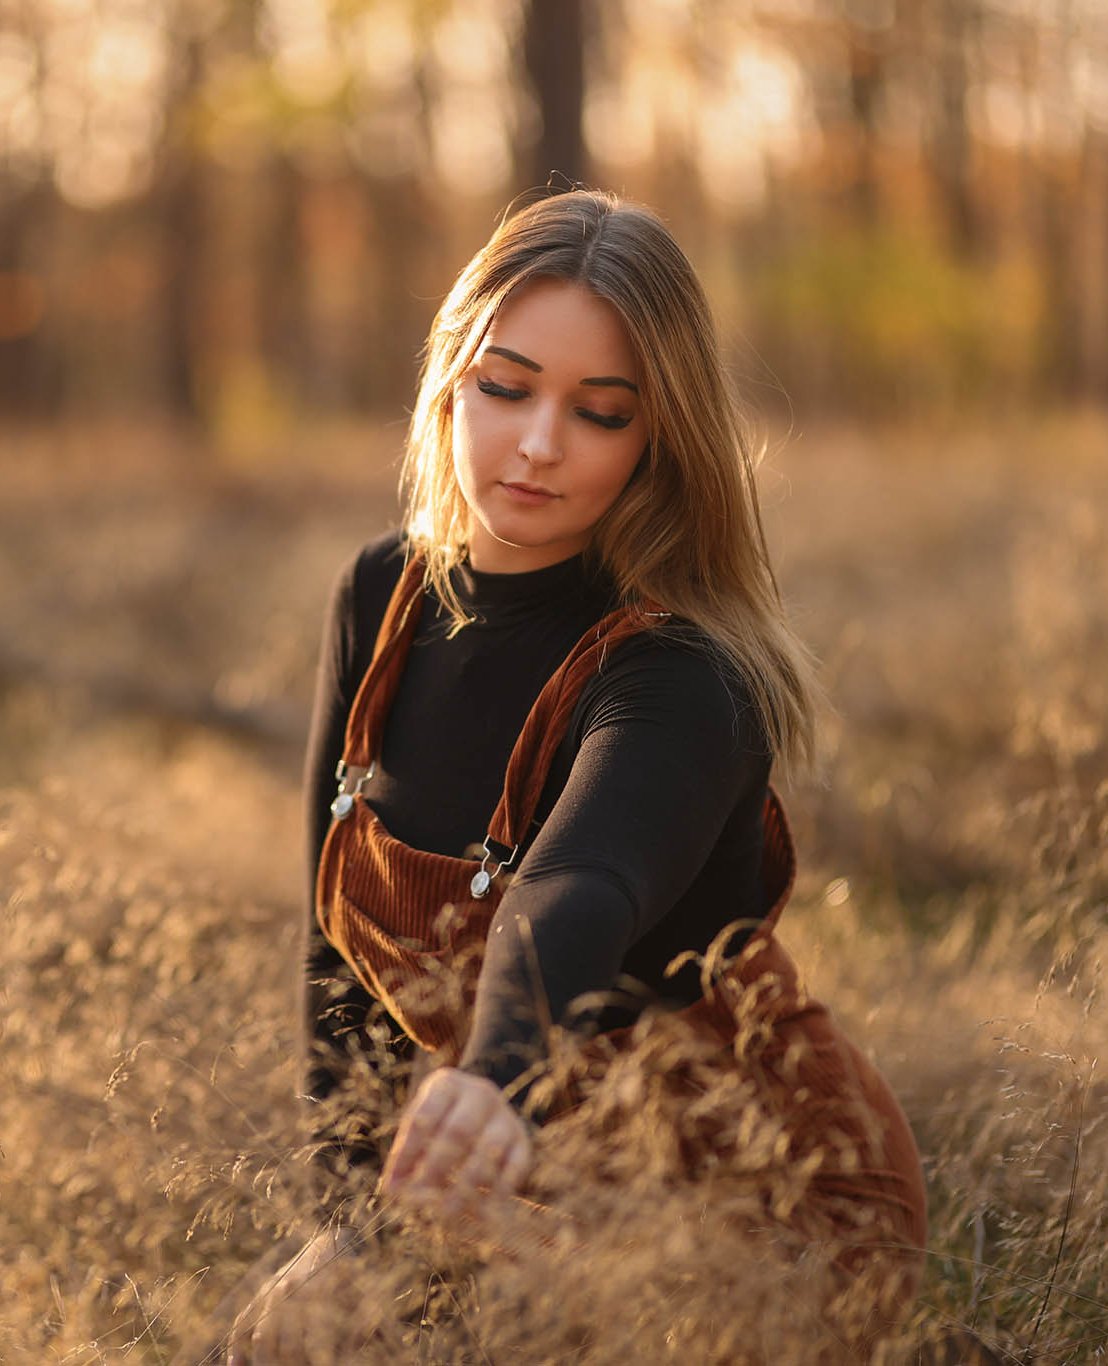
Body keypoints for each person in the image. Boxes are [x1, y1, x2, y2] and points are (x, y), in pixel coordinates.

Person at [224, 190, 929, 1363]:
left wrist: (487, 1083)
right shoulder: (378, 596)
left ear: (659, 438)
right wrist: (345, 1228)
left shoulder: (682, 672)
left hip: (755, 1190)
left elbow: (574, 888)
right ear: (449, 379)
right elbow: (329, 956)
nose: (539, 443)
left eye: (599, 412)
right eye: (505, 388)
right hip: (509, 1168)